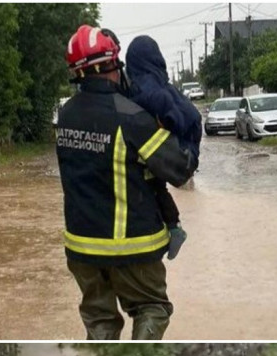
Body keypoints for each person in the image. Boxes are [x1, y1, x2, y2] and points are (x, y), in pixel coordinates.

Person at [57, 25, 196, 339]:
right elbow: (179, 169)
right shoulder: (131, 117)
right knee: (153, 308)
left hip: (81, 252)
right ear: (112, 64)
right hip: (132, 248)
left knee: (100, 322)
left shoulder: (65, 115)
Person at [125, 35, 203, 260]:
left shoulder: (145, 89)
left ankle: (175, 227)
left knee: (157, 186)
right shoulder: (163, 85)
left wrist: (166, 125)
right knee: (156, 184)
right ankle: (175, 226)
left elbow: (180, 116)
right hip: (187, 142)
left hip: (185, 146)